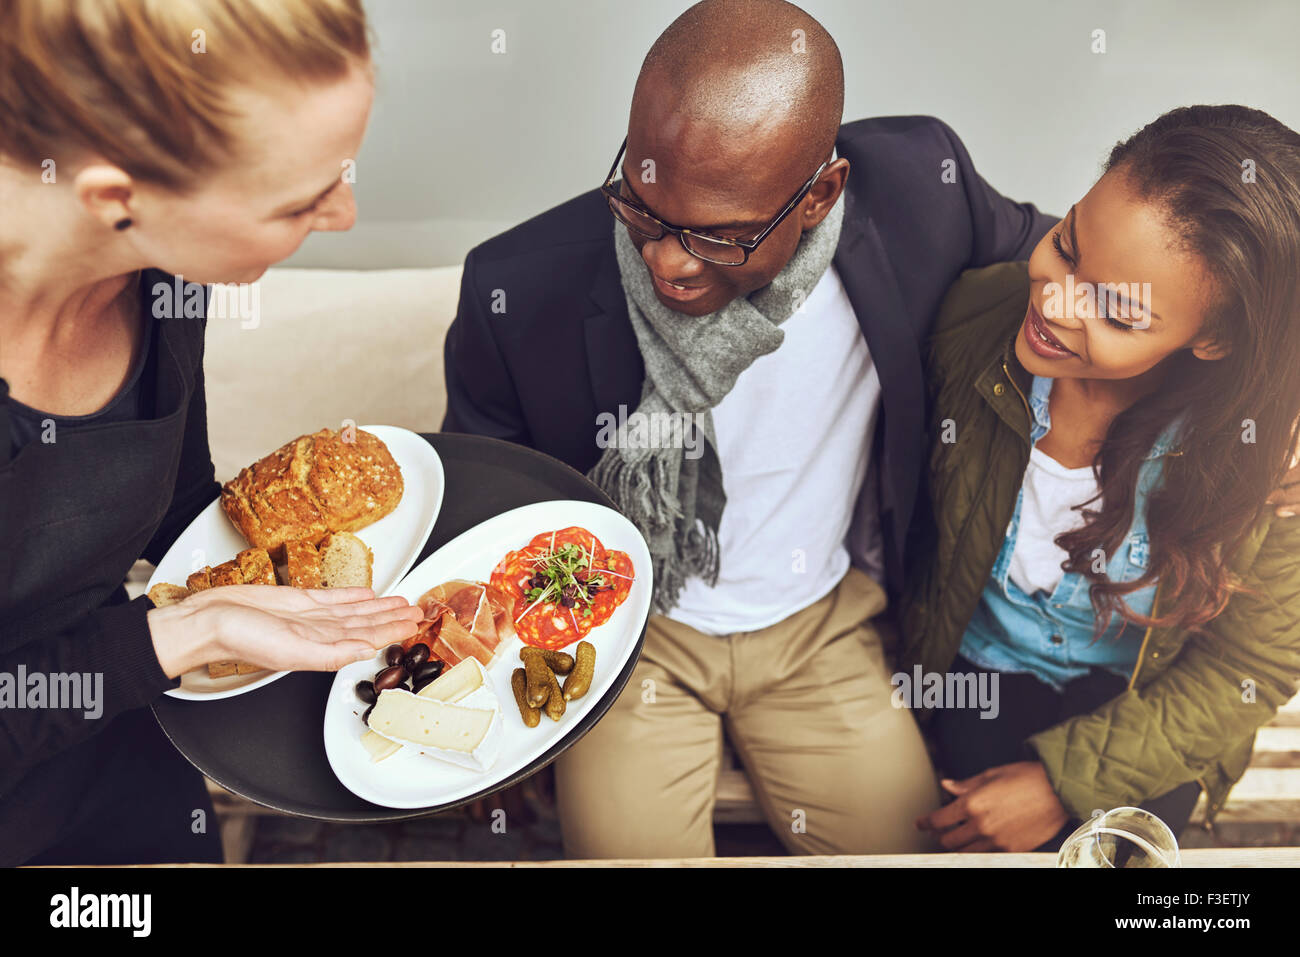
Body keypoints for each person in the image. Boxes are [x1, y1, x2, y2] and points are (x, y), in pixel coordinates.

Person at [441, 0, 1059, 857]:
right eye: (644, 208)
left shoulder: (924, 189)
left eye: (720, 237)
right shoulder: (516, 287)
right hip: (628, 632)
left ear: (821, 195)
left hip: (822, 624)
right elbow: (480, 503)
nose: (666, 260)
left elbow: (1074, 265)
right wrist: (490, 702)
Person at [0, 0, 421, 866]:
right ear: (118, 196)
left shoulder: (162, 278)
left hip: (122, 739)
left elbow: (168, 505)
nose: (344, 212)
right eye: (303, 199)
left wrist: (304, 518)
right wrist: (191, 632)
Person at [902, 104, 1300, 853]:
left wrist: (1063, 784)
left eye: (1117, 313)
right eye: (1067, 246)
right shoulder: (963, 330)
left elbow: (1251, 662)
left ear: (1212, 339)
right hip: (975, 677)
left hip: (1153, 705)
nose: (1053, 304)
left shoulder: (1269, 458)